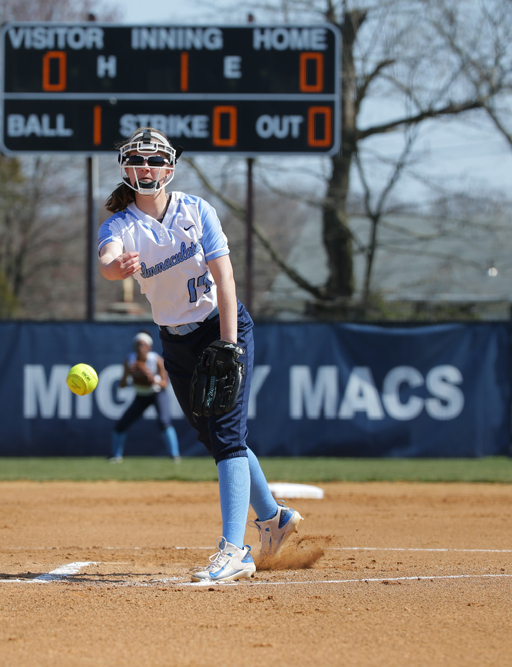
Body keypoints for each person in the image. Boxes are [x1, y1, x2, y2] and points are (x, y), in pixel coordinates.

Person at [97, 128, 302, 583]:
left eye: (155, 160)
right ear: (126, 168)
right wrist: (116, 268)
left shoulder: (196, 210)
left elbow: (225, 281)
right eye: (138, 159)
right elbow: (108, 260)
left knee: (228, 435)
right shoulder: (120, 226)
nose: (146, 167)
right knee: (214, 438)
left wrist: (229, 344)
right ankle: (274, 518)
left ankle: (235, 550)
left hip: (221, 327)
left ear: (170, 168)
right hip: (175, 340)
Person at [109, 331, 180, 463]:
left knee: (164, 422)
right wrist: (129, 374)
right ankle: (115, 455)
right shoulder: (129, 360)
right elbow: (122, 385)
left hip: (157, 393)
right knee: (121, 425)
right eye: (138, 345)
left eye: (143, 345)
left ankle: (174, 455)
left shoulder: (156, 359)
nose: (140, 348)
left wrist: (152, 379)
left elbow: (164, 383)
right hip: (141, 396)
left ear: (149, 347)